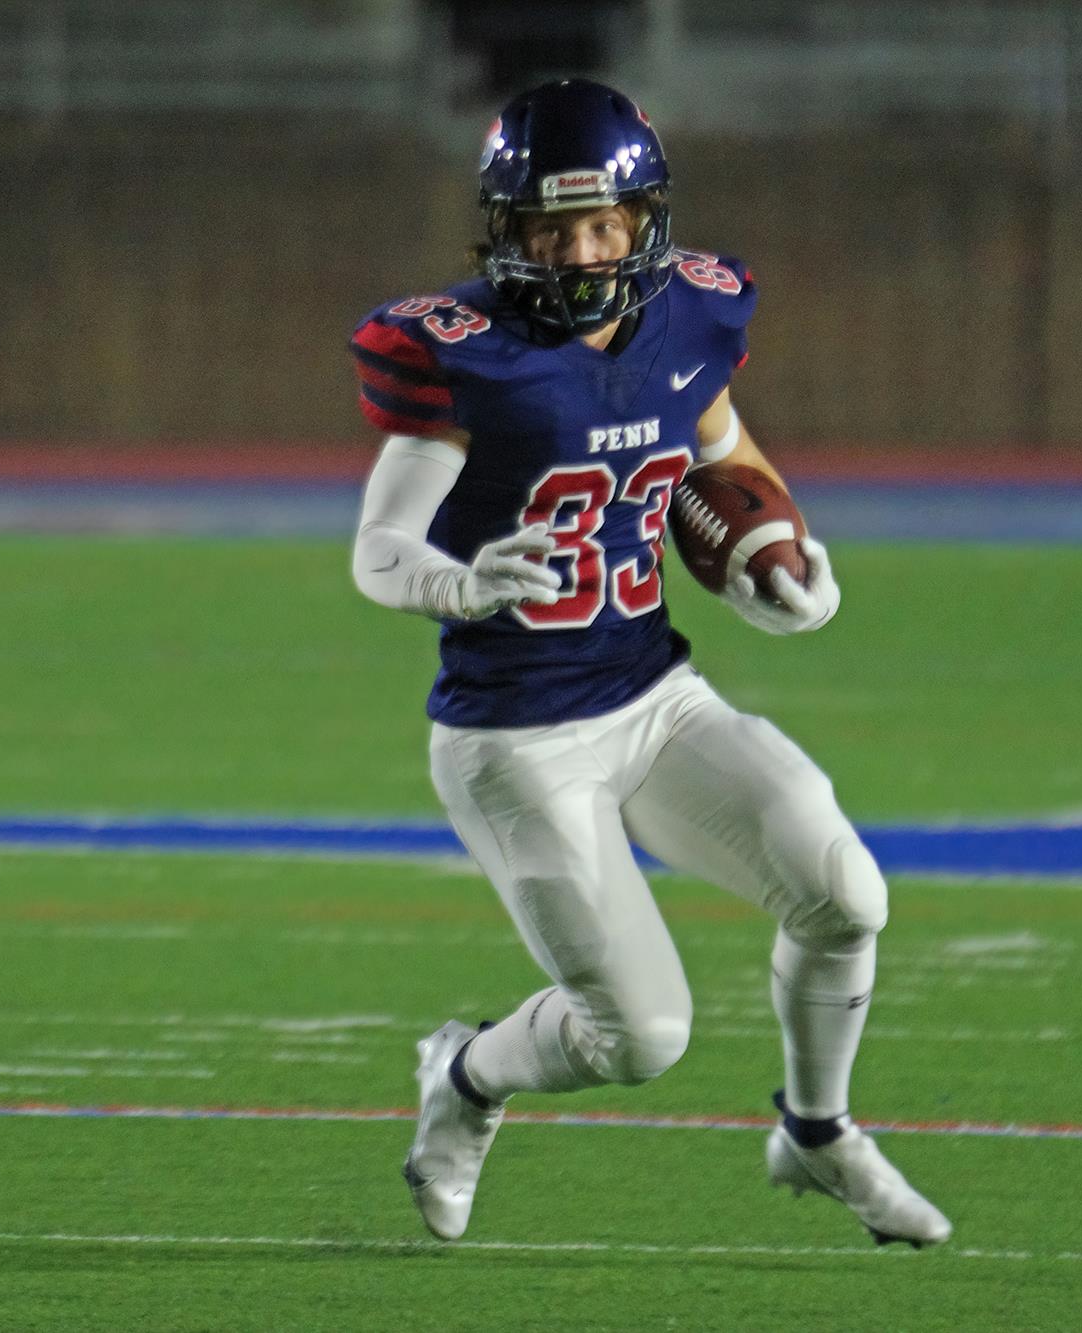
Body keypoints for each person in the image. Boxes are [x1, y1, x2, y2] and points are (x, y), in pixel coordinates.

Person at [347, 79, 950, 1249]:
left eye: (603, 226)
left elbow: (723, 462)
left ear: (642, 224)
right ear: (507, 234)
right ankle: (465, 1076)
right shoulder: (466, 355)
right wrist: (454, 581)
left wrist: (783, 562)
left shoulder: (691, 317)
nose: (580, 252)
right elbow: (379, 549)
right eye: (552, 229)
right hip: (514, 738)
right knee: (640, 1036)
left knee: (845, 895)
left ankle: (815, 1132)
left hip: (653, 696)